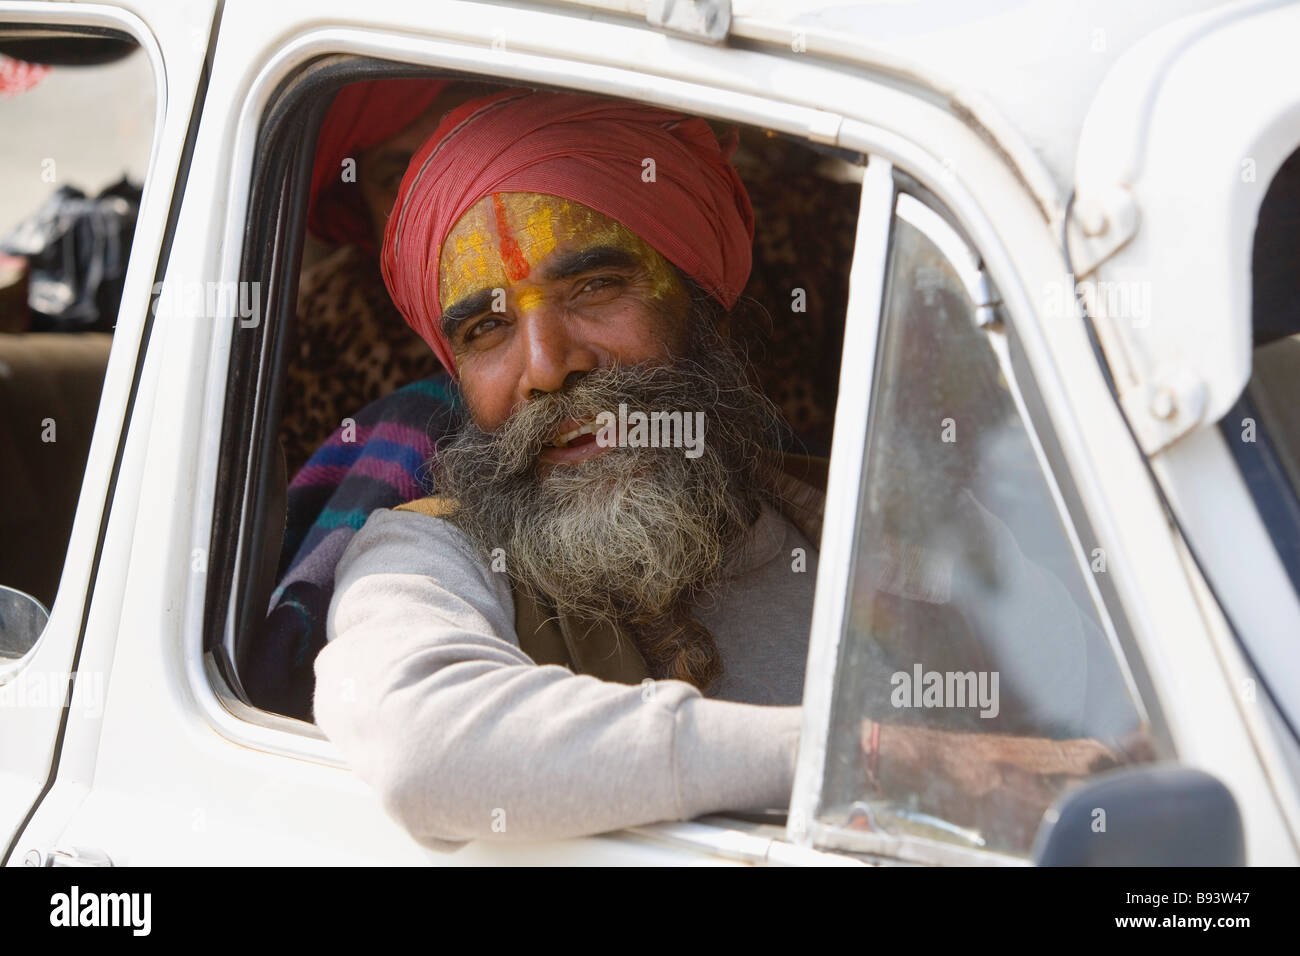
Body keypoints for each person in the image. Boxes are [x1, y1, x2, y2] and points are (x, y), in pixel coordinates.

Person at [312, 88, 1146, 852]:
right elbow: (424, 749)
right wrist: (875, 759)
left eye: (597, 287)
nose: (546, 365)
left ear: (698, 301)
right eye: (485, 331)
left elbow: (1105, 711)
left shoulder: (877, 520)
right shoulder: (432, 559)